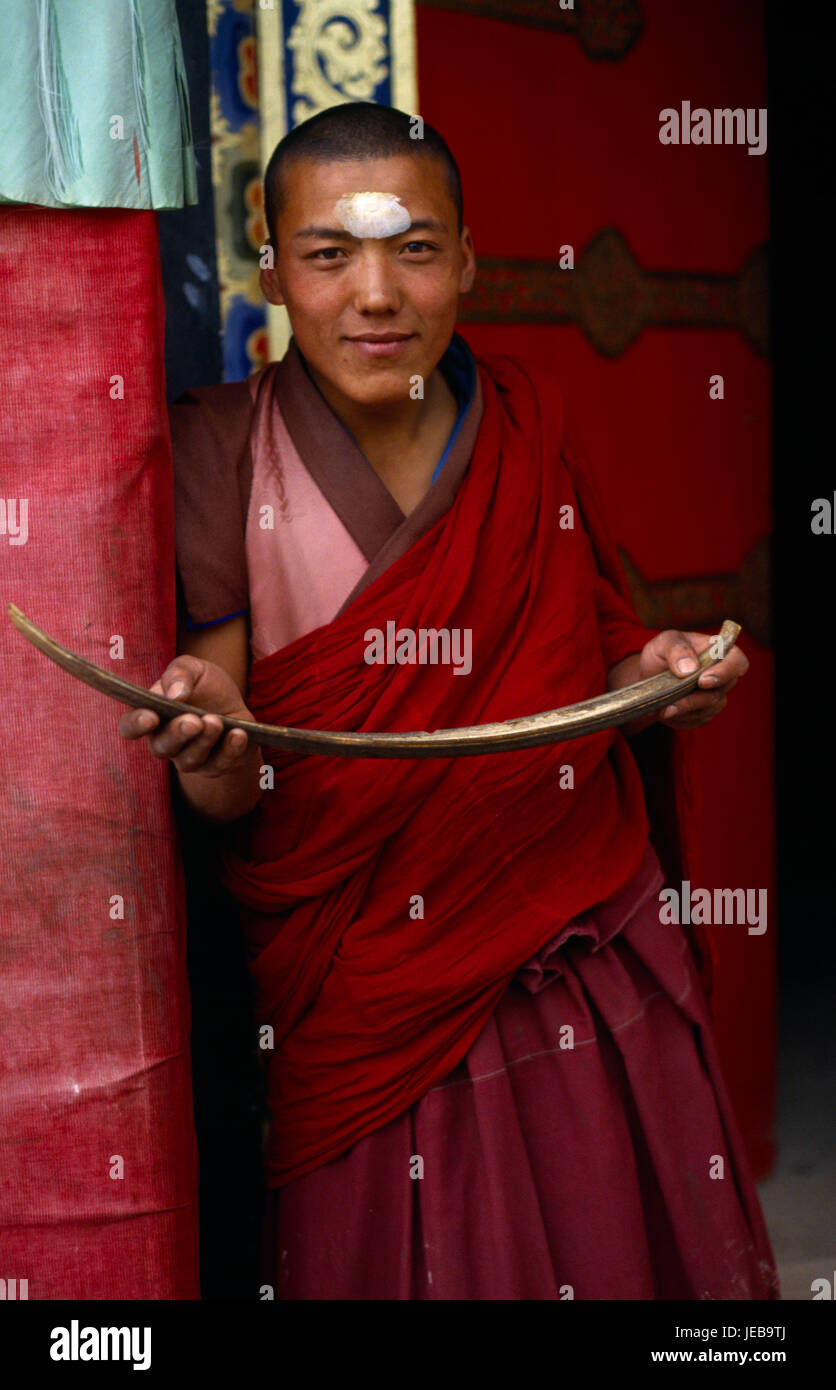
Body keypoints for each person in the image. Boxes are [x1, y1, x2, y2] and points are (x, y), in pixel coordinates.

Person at [118, 102, 779, 1301]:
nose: (376, 293)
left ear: (466, 261)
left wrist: (665, 677)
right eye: (327, 255)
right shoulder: (220, 454)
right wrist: (209, 725)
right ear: (269, 270)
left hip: (572, 928)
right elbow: (233, 788)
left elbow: (598, 660)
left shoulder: (523, 419)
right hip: (366, 984)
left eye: (415, 248)